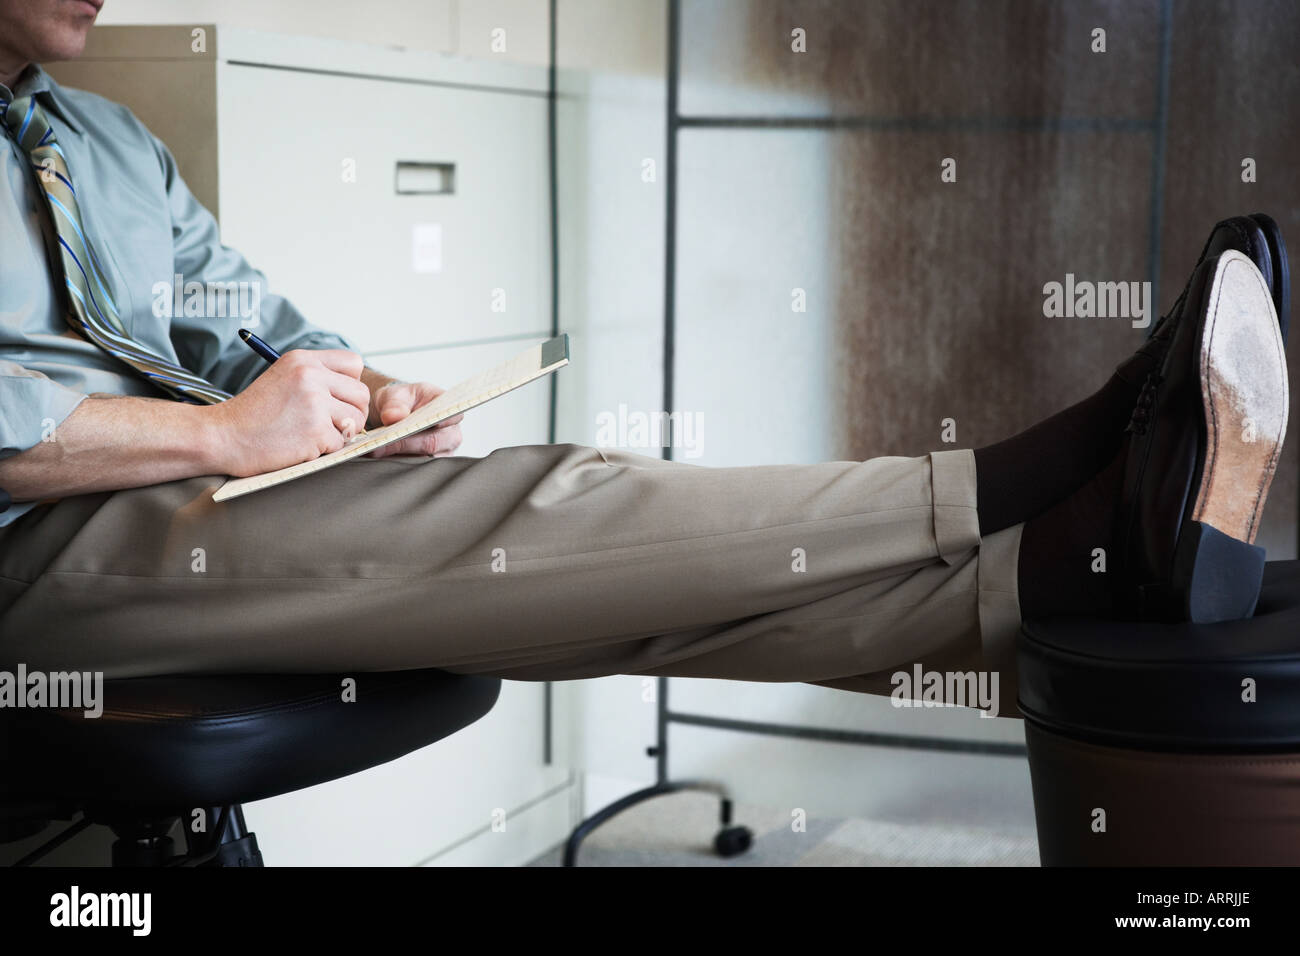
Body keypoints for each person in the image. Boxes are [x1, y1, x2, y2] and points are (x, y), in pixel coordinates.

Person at [0, 0, 1290, 719]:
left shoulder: (106, 138)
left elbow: (245, 321)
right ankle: (1019, 481)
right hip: (33, 562)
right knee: (540, 507)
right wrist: (219, 437)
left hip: (194, 509)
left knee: (607, 597)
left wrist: (357, 390)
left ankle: (1066, 577)